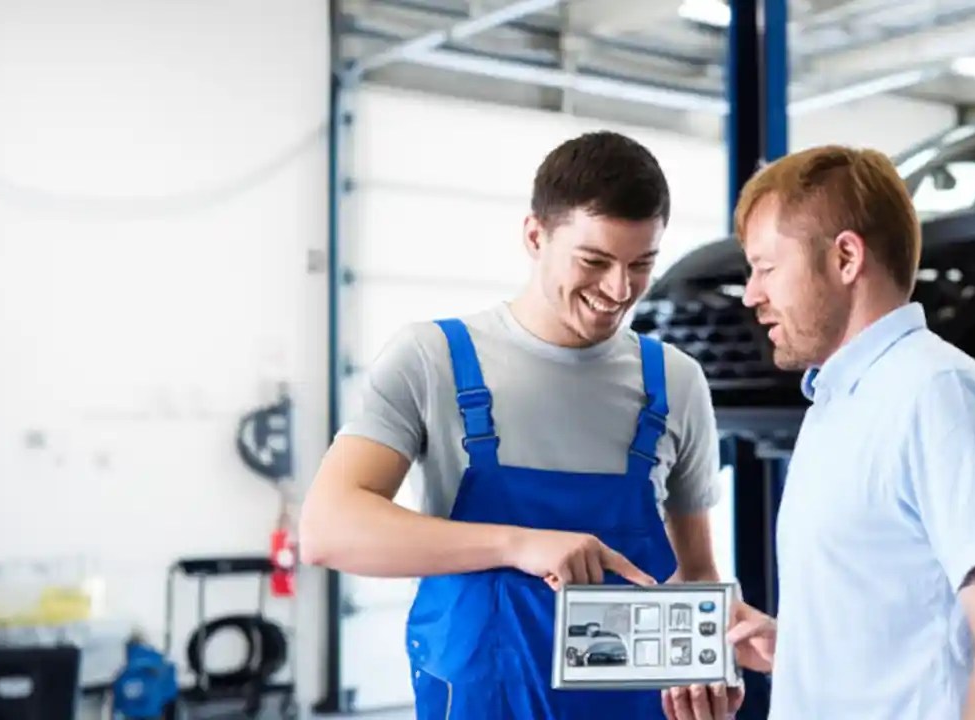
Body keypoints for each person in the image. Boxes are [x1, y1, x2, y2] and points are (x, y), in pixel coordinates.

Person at [299, 130, 740, 719]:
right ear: (535, 236)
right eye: (594, 261)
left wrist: (705, 674)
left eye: (641, 264)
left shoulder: (676, 382)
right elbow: (328, 529)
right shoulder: (432, 360)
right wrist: (517, 544)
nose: (619, 290)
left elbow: (698, 574)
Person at [683, 145, 975, 719]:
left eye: (766, 267)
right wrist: (798, 648)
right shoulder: (838, 403)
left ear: (845, 258)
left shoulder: (938, 396)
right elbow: (906, 623)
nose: (751, 294)